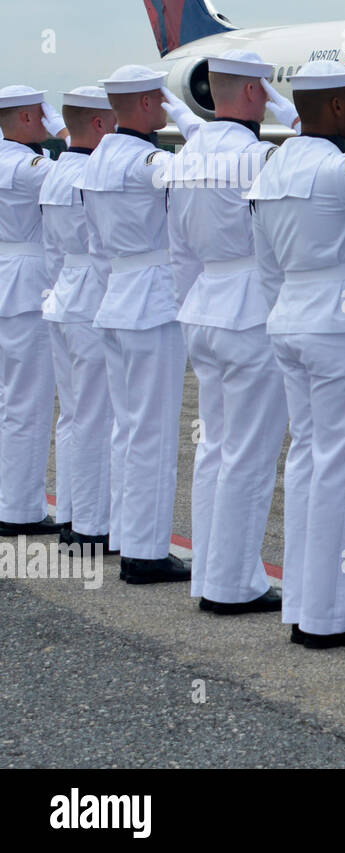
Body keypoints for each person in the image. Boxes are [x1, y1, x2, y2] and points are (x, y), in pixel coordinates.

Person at [245, 60, 345, 648]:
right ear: (340, 107)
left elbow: (264, 266)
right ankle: (328, 615)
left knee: (307, 462)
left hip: (288, 317)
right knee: (340, 469)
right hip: (340, 326)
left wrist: (281, 313)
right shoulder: (343, 170)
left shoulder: (272, 165)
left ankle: (304, 606)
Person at [165, 51, 296, 614]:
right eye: (264, 89)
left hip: (203, 305)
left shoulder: (187, 154)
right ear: (253, 93)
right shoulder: (262, 157)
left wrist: (191, 302)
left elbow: (178, 249)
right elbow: (278, 248)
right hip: (249, 311)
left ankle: (209, 574)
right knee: (249, 454)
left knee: (214, 449)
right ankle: (235, 583)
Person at [76, 66, 190, 582]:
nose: (165, 109)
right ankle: (145, 551)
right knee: (153, 431)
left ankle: (127, 534)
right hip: (150, 301)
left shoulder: (97, 160)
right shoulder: (148, 161)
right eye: (161, 100)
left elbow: (97, 247)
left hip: (117, 297)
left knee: (127, 429)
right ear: (146, 104)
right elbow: (208, 166)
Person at [40, 86, 116, 549]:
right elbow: (107, 247)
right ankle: (91, 523)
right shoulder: (92, 173)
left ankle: (71, 514)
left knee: (73, 415)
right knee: (95, 415)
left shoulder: (55, 172)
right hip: (91, 297)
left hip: (63, 293)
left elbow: (51, 252)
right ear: (101, 124)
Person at [0, 85, 65, 536]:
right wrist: (66, 128)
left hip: (7, 276)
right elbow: (82, 176)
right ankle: (19, 509)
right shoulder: (28, 166)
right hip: (26, 285)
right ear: (26, 118)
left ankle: (11, 498)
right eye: (40, 113)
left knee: (10, 400)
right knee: (28, 402)